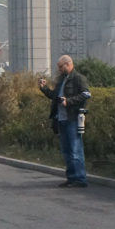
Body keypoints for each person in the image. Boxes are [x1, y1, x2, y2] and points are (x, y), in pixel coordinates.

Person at [38, 55, 92, 188]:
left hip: (72, 118)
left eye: (61, 67)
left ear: (68, 64)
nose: (60, 70)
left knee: (75, 149)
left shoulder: (78, 78)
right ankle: (71, 177)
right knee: (66, 150)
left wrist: (69, 101)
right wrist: (44, 88)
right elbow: (54, 97)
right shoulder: (62, 79)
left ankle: (80, 178)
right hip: (61, 118)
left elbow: (86, 94)